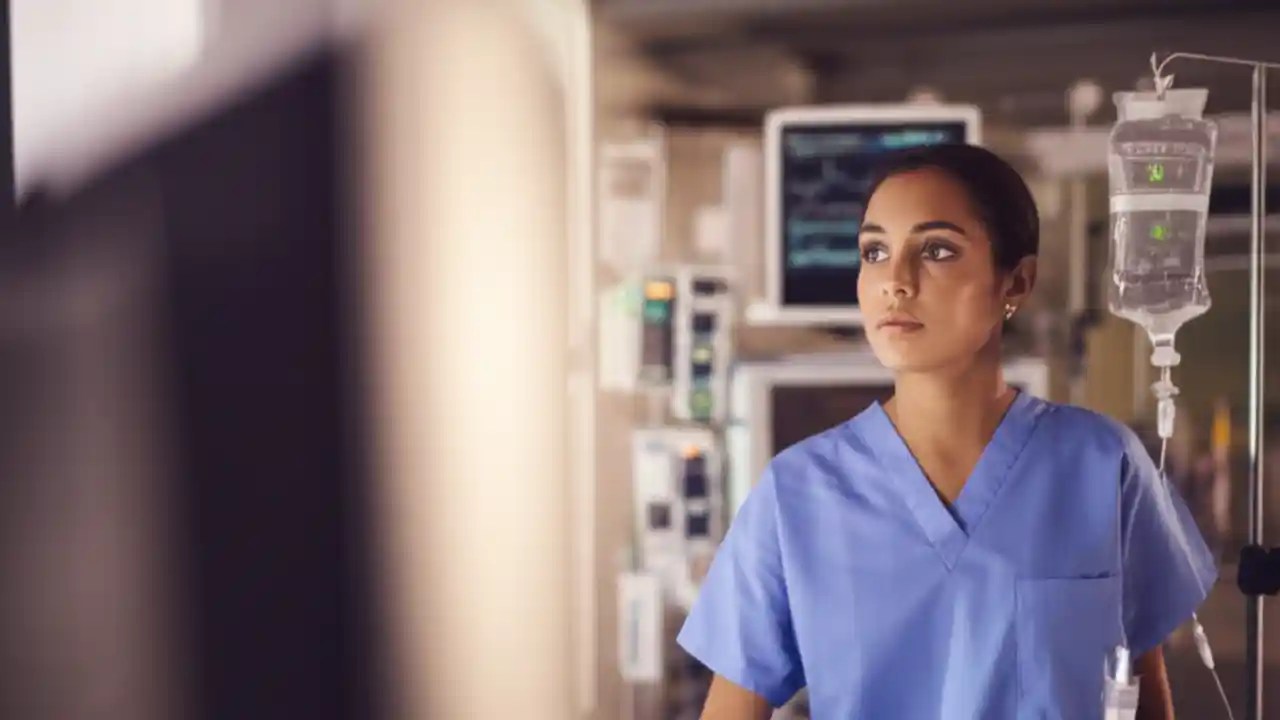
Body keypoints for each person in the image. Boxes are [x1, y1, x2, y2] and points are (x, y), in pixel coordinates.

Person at [676, 144, 1217, 719]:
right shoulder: (796, 494)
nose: (896, 281)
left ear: (1016, 282)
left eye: (936, 250)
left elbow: (1144, 695)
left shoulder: (1102, 466)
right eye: (875, 252)